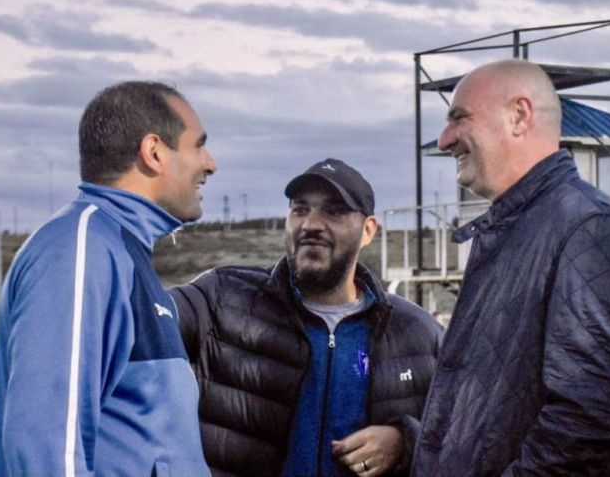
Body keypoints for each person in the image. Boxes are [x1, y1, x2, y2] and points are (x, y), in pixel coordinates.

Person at [411, 59, 610, 476]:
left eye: (459, 118)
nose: (444, 139)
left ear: (519, 116)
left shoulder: (587, 228)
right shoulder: (515, 229)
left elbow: (594, 414)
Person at [0, 82, 215, 476]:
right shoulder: (80, 249)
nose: (210, 163)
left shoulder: (118, 249)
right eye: (198, 145)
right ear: (154, 152)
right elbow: (45, 447)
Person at [171, 158, 444, 476]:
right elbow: (132, 322)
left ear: (368, 230)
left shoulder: (416, 332)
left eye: (334, 211)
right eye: (300, 209)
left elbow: (462, 432)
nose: (311, 224)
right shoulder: (222, 299)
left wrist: (404, 442)